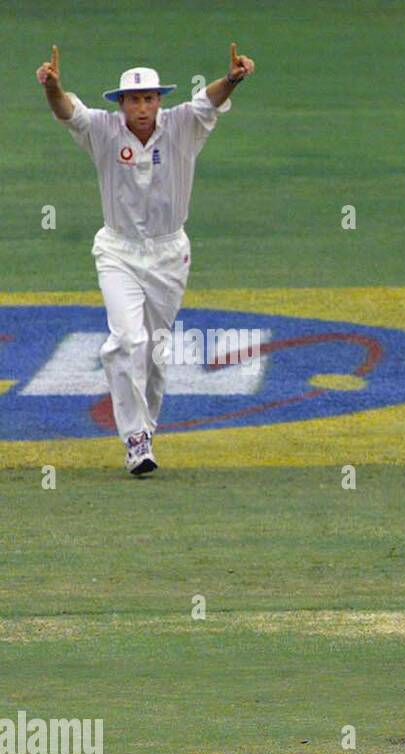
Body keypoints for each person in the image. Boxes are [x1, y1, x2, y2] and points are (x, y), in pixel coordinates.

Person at [36, 43, 256, 475]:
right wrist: (53, 87)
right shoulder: (102, 129)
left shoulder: (182, 126)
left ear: (159, 101)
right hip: (118, 251)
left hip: (169, 253)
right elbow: (67, 112)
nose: (141, 107)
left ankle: (146, 431)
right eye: (133, 99)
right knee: (125, 342)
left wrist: (232, 79)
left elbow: (208, 100)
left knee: (154, 352)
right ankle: (135, 439)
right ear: (121, 104)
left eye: (149, 98)